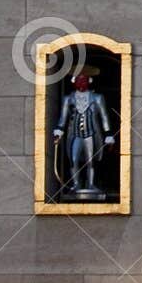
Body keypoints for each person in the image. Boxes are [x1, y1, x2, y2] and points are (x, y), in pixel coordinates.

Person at [52, 70, 115, 200]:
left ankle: (91, 184)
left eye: (84, 80)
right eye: (79, 80)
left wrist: (108, 134)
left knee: (90, 161)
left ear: (89, 82)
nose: (82, 83)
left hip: (91, 134)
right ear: (74, 82)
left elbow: (103, 117)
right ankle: (76, 184)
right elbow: (63, 118)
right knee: (73, 160)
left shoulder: (97, 98)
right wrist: (59, 130)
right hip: (75, 134)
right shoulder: (68, 99)